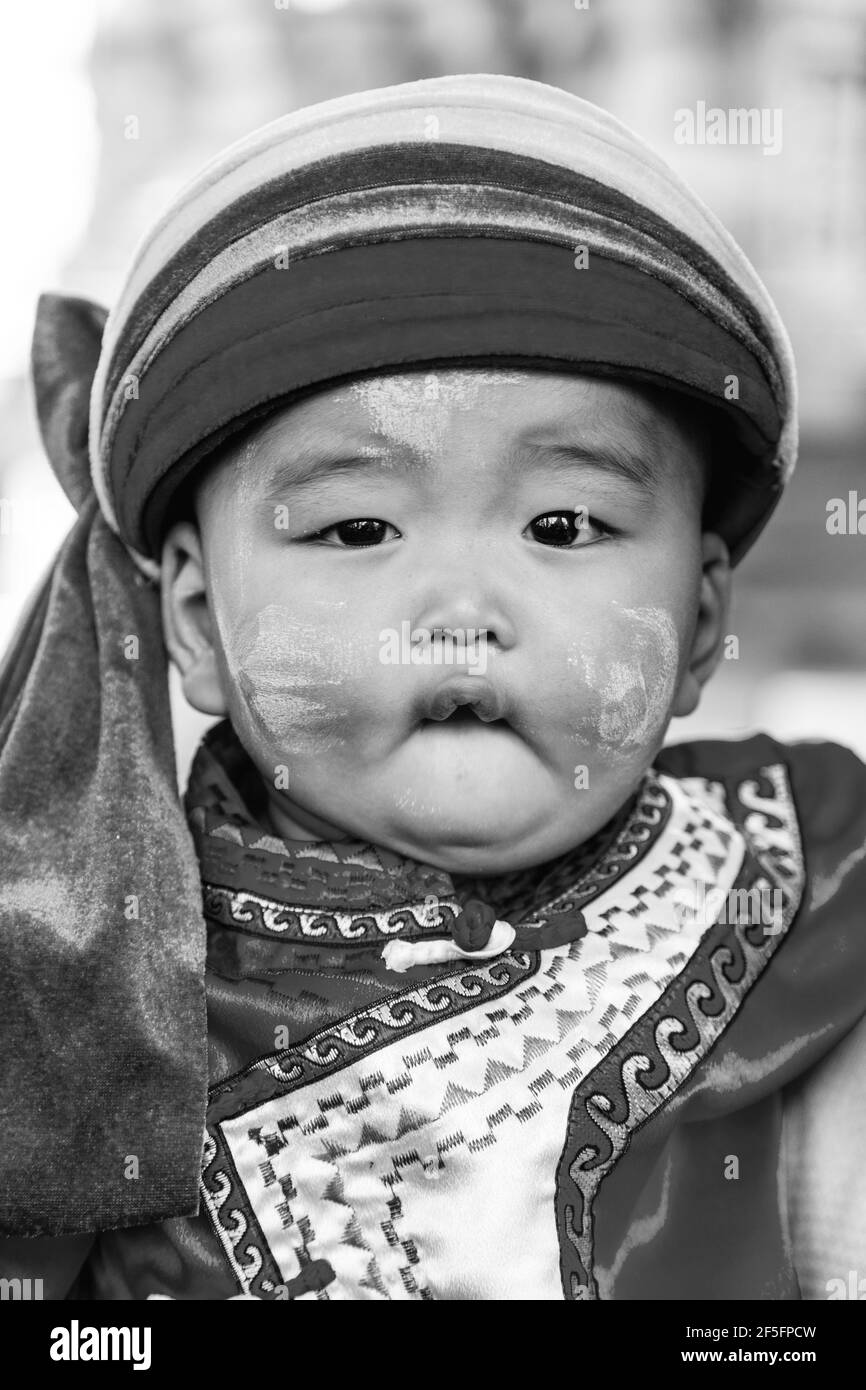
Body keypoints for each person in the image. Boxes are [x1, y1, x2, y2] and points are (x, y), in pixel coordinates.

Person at [1, 74, 864, 1301]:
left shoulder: (813, 914)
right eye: (356, 530)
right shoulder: (67, 978)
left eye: (562, 523)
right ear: (194, 619)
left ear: (699, 619)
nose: (461, 612)